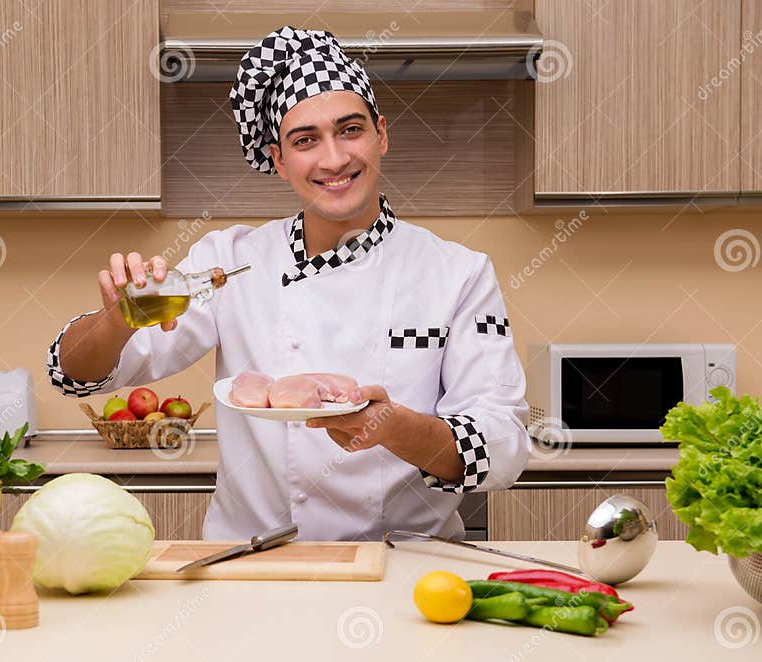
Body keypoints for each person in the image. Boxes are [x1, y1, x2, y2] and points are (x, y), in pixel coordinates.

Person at [47, 26, 530, 541]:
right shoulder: (229, 261)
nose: (334, 159)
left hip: (402, 570)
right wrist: (117, 320)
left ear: (381, 134)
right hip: (253, 567)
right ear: (279, 160)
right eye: (305, 141)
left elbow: (502, 446)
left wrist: (389, 425)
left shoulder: (459, 273)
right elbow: (77, 374)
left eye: (350, 130)